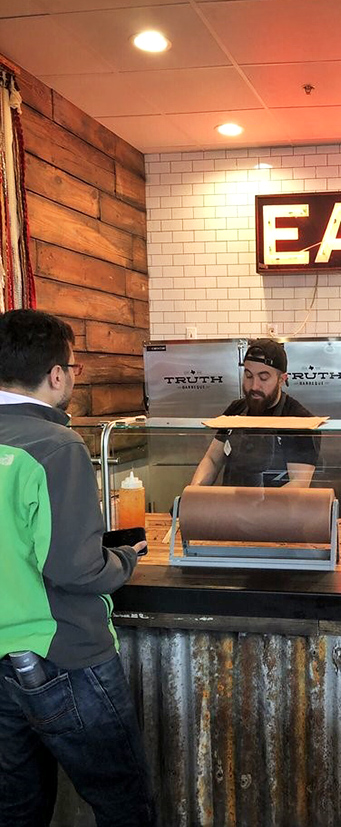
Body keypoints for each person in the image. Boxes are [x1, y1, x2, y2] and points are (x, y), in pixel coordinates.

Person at [0, 309, 155, 827]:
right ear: (57, 374)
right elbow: (77, 570)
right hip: (61, 655)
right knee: (122, 802)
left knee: (17, 808)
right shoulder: (56, 445)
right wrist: (126, 559)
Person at [192, 338, 319, 488]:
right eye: (248, 376)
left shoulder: (300, 419)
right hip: (230, 506)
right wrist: (194, 492)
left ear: (282, 379)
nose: (254, 386)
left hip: (275, 508)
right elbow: (212, 460)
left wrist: (257, 509)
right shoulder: (236, 409)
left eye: (263, 378)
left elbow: (298, 483)